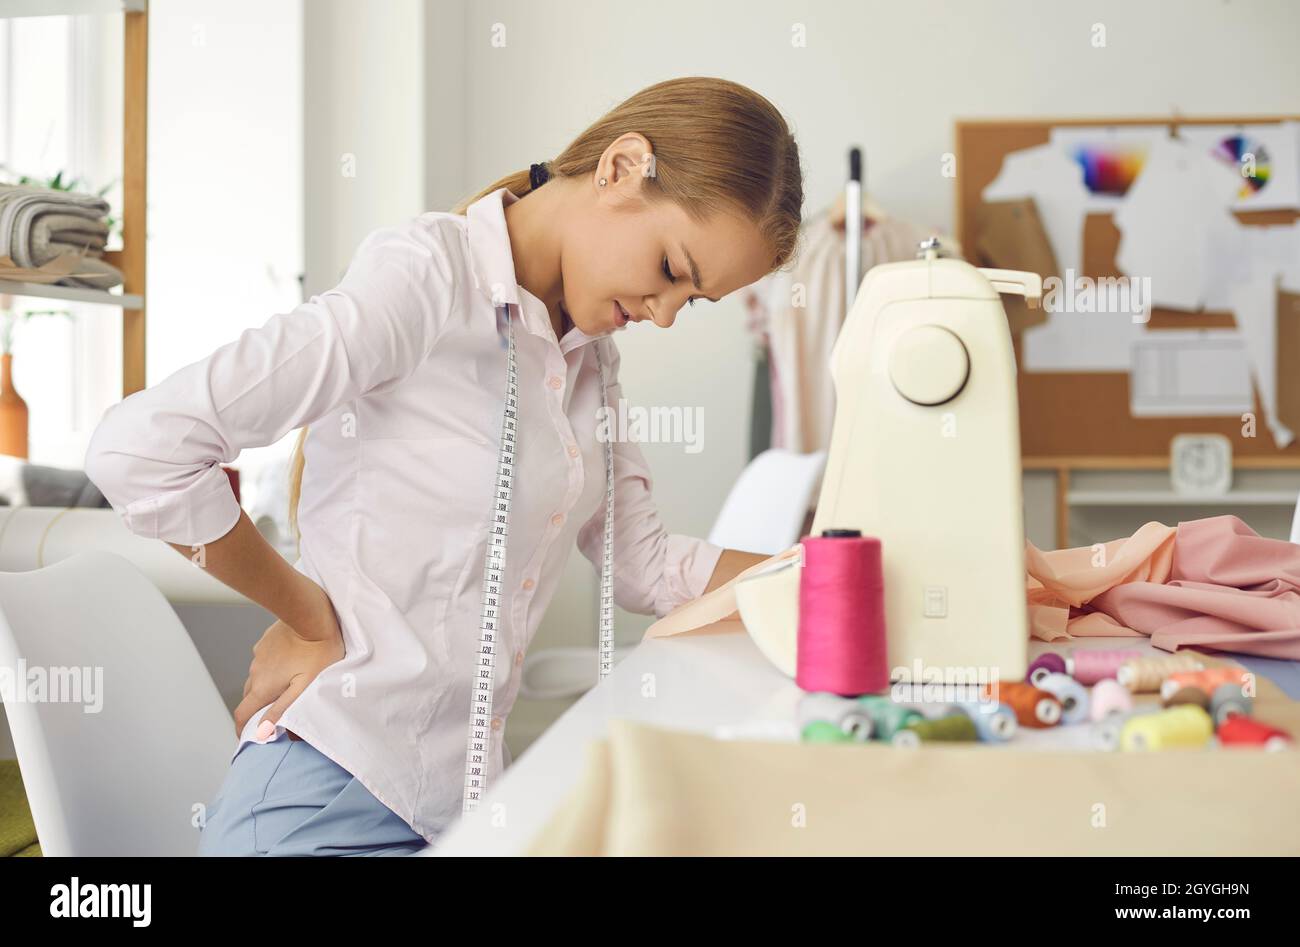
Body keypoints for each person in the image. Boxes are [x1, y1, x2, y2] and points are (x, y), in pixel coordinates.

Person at [85, 76, 805, 856]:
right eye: (671, 269)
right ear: (622, 167)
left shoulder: (588, 357)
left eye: (692, 301)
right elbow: (142, 448)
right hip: (322, 802)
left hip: (456, 812)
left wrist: (840, 577)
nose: (664, 314)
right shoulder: (425, 277)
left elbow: (645, 564)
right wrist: (306, 613)